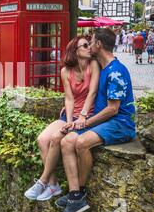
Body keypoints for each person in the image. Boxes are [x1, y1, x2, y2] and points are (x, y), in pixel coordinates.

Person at [54, 28, 136, 212]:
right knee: (66, 143)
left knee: (81, 142)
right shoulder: (103, 67)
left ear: (99, 45)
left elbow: (112, 109)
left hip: (119, 123)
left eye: (91, 42)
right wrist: (74, 118)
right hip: (103, 122)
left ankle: (79, 194)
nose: (89, 45)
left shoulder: (115, 71)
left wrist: (84, 122)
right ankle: (75, 196)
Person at [24, 36, 100, 202]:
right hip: (71, 115)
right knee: (42, 139)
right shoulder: (66, 71)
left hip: (88, 114)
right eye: (85, 45)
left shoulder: (93, 65)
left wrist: (82, 116)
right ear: (75, 51)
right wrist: (68, 122)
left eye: (89, 44)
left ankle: (43, 180)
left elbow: (92, 93)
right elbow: (69, 99)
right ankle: (53, 184)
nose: (89, 47)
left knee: (57, 137)